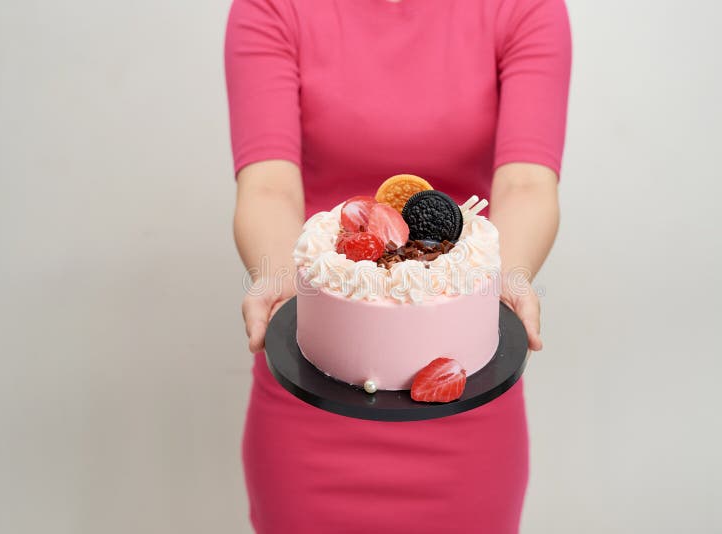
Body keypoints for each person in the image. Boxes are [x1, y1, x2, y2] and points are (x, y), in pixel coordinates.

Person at [224, 0, 571, 531]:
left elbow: (527, 183)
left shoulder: (525, 8)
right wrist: (275, 272)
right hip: (312, 392)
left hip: (465, 399)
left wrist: (511, 274)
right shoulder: (270, 8)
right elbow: (268, 185)